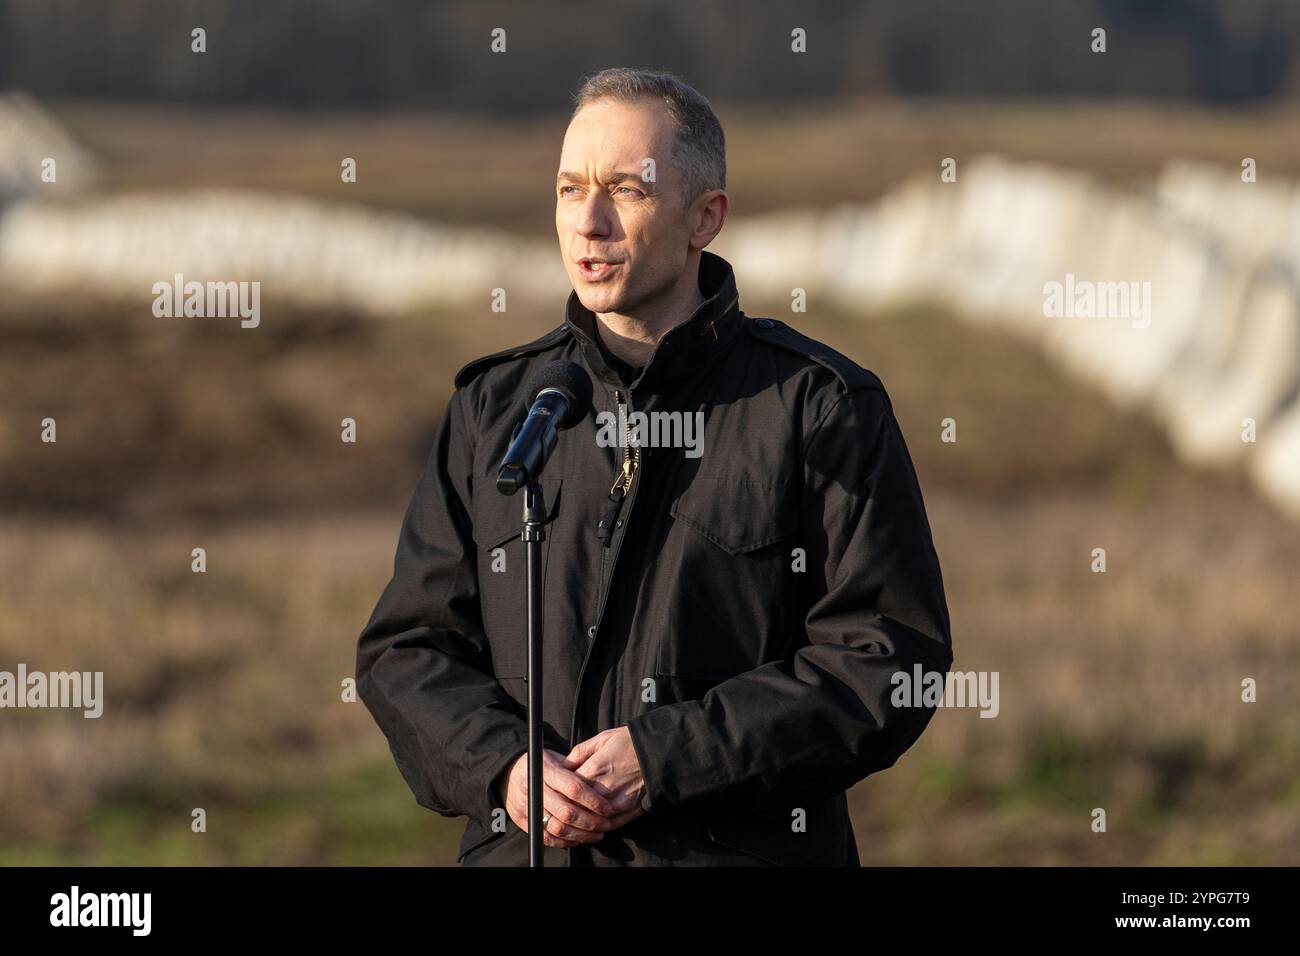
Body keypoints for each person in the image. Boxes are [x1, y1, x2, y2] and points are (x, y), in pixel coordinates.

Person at [355, 67, 953, 866]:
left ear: (705, 217)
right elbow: (408, 649)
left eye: (626, 192)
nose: (589, 223)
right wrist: (505, 767)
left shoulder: (820, 407)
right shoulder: (494, 408)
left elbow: (886, 656)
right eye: (570, 189)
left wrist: (669, 758)